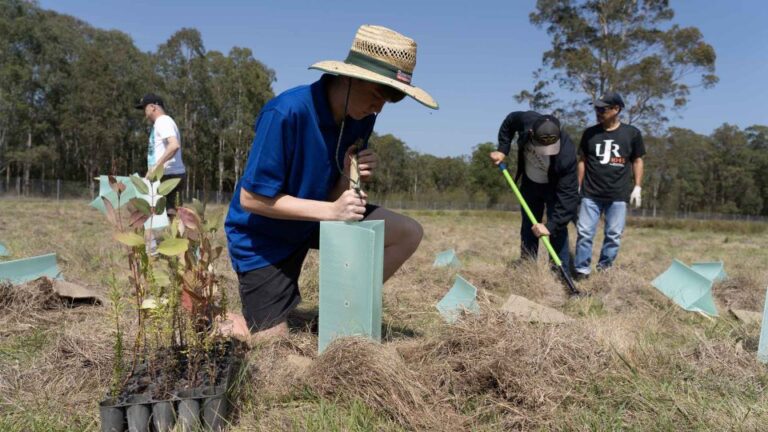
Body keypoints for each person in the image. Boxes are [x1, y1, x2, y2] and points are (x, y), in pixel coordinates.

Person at [224, 25, 438, 340]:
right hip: (263, 237)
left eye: (390, 100)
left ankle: (338, 316)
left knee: (408, 233)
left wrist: (349, 174)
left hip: (314, 219)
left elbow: (335, 196)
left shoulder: (362, 117)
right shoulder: (286, 112)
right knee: (271, 344)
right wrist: (331, 211)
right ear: (350, 77)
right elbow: (251, 200)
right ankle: (221, 319)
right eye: (378, 94)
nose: (379, 108)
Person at [490, 112, 579, 269]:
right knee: (529, 227)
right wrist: (503, 149)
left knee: (557, 230)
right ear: (531, 133)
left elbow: (569, 197)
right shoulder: (526, 121)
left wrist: (550, 226)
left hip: (554, 188)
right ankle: (528, 267)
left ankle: (559, 271)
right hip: (530, 184)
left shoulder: (566, 155)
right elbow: (509, 122)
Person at [573, 92, 645, 280]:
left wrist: (637, 187)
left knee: (613, 235)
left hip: (618, 195)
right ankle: (581, 271)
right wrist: (578, 186)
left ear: (616, 109)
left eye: (602, 109)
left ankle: (605, 269)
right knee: (585, 233)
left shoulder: (632, 133)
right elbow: (583, 161)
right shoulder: (589, 133)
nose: (598, 112)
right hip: (591, 193)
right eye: (596, 108)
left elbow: (637, 161)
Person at [134, 93, 186, 216]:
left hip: (169, 175)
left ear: (153, 107)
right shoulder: (161, 123)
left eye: (144, 108)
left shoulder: (163, 121)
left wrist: (156, 167)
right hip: (166, 174)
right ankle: (165, 235)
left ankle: (175, 236)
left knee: (172, 215)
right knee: (168, 215)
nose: (144, 112)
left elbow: (174, 145)